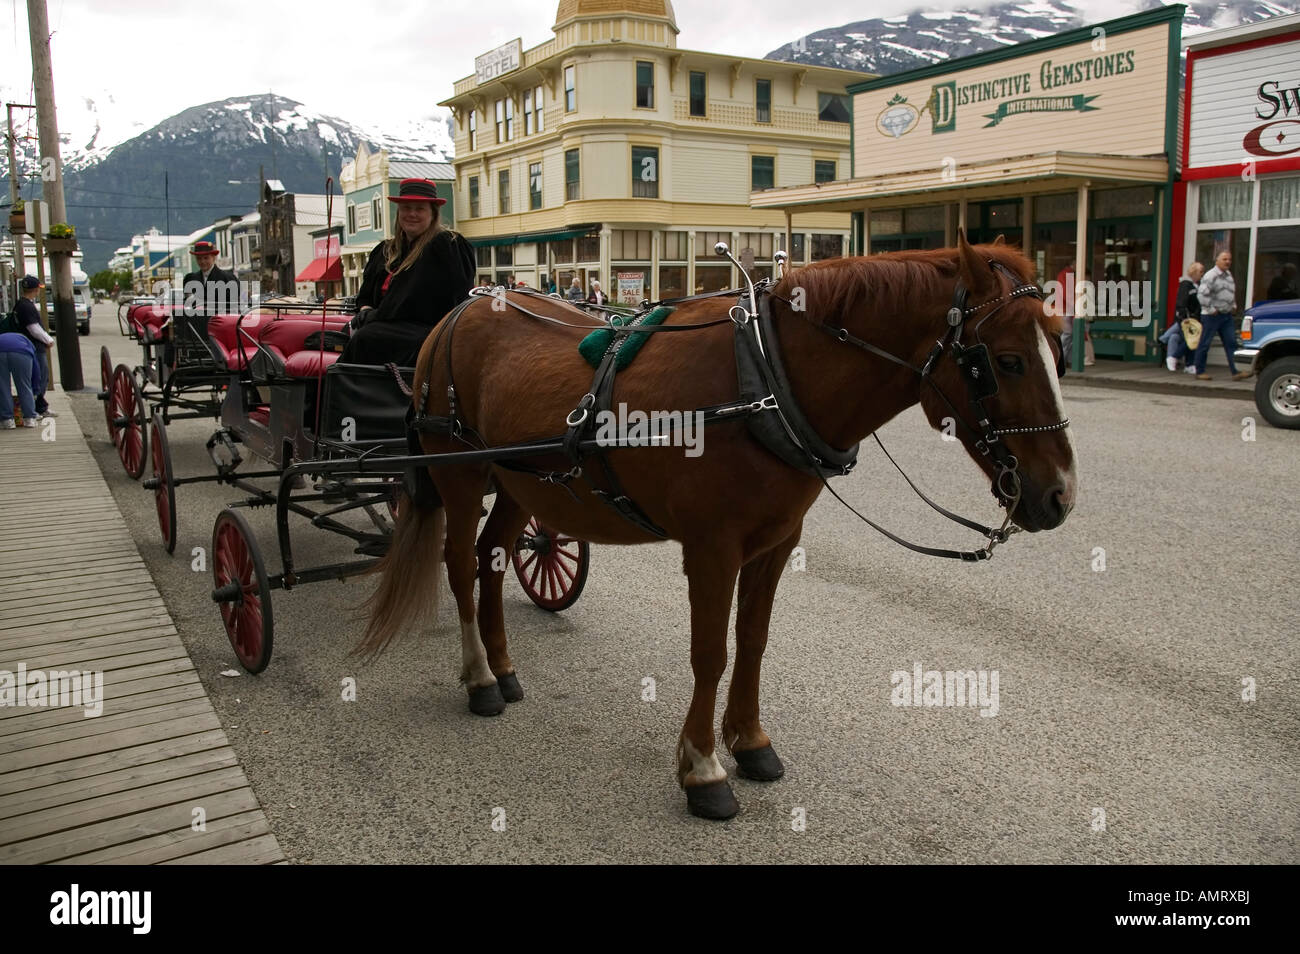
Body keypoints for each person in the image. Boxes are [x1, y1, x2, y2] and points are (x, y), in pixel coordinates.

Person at [341, 178, 473, 367]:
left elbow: (409, 300)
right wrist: (365, 310)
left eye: (419, 209)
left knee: (367, 338)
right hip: (384, 326)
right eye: (406, 208)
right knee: (344, 336)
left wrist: (372, 317)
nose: (412, 214)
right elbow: (366, 296)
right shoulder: (384, 250)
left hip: (430, 329)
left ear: (432, 213)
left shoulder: (446, 245)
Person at [1194, 251, 1251, 381]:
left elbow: (1231, 292)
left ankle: (1236, 372)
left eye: (1229, 259)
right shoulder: (1210, 275)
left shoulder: (1229, 275)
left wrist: (1233, 306)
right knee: (1205, 343)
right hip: (1211, 316)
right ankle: (1200, 370)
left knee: (1231, 342)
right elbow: (1202, 295)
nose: (1227, 262)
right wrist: (1210, 309)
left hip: (1226, 316)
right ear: (1217, 261)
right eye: (1224, 259)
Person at [13, 275, 55, 418]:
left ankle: (39, 406)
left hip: (27, 346)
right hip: (35, 347)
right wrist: (48, 340)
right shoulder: (27, 306)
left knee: (36, 378)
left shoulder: (20, 304)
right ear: (35, 289)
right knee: (40, 378)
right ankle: (37, 408)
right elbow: (34, 328)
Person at [1161, 261, 1203, 372]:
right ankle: (1174, 356)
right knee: (1191, 340)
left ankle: (1189, 365)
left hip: (1195, 318)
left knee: (1191, 340)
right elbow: (1181, 302)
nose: (1202, 274)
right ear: (1194, 272)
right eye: (1200, 271)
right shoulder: (1185, 285)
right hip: (1186, 319)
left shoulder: (1197, 285)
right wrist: (1184, 316)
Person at [182, 240, 238, 314]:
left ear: (214, 258)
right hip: (196, 323)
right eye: (199, 258)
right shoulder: (189, 279)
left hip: (219, 322)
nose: (202, 262)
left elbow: (233, 307)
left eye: (206, 258)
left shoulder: (228, 279)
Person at [0, 331, 41, 428]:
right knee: (24, 386)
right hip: (22, 353)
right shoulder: (28, 343)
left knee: (2, 387)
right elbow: (36, 371)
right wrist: (35, 390)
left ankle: (7, 420)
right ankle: (29, 419)